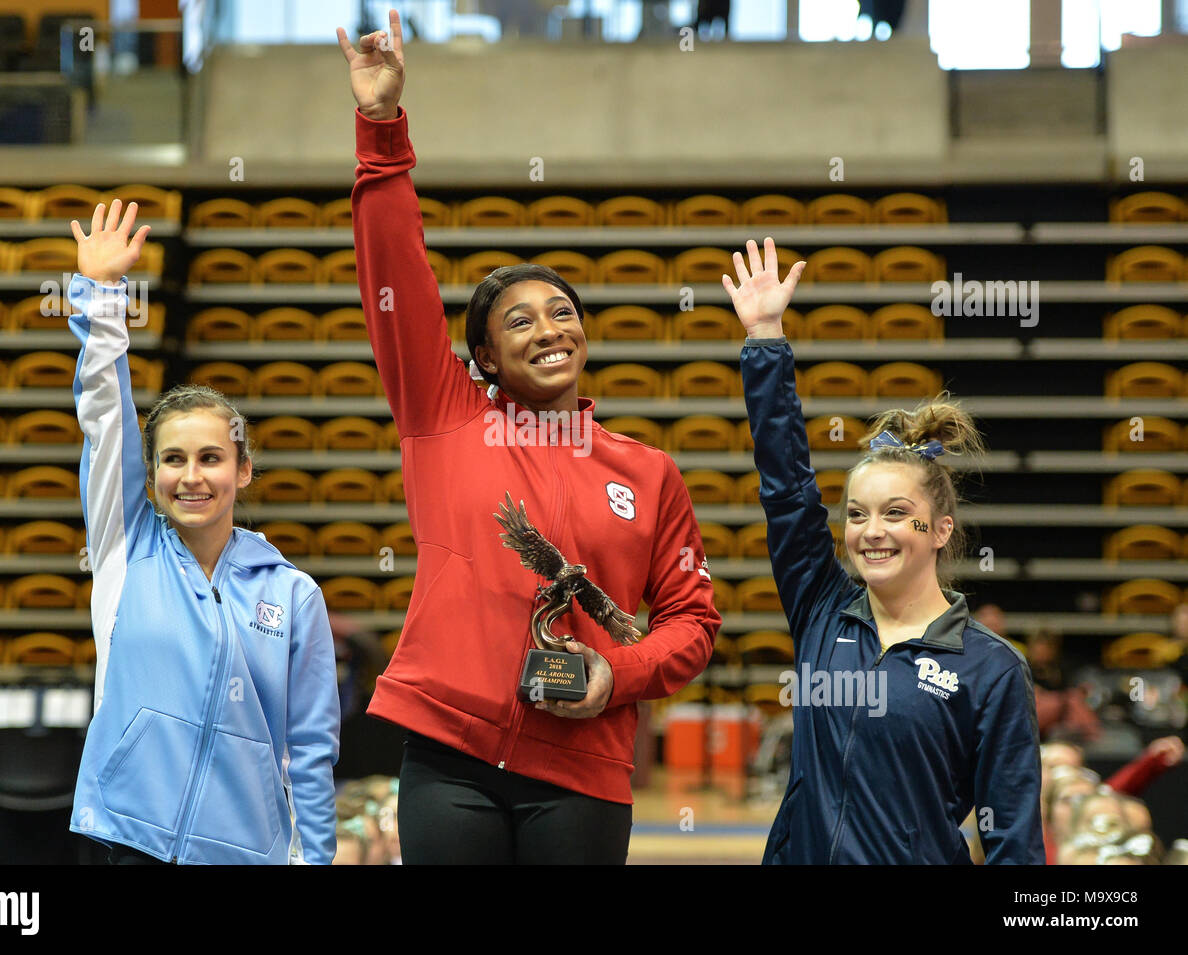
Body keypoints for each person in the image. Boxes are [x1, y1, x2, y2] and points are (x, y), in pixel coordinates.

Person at [337, 11, 721, 864]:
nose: (549, 328)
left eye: (563, 311)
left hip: (583, 767)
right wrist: (381, 130)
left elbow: (692, 622)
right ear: (484, 354)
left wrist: (613, 676)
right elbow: (395, 269)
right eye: (520, 319)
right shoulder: (445, 418)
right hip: (451, 758)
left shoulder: (647, 471)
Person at [732, 236, 1044, 863]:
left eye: (897, 514)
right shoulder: (823, 610)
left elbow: (1012, 835)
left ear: (941, 529)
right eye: (857, 515)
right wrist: (765, 338)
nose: (872, 530)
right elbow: (787, 490)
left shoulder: (992, 670)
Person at [66, 200, 341, 864]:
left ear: (243, 469)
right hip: (125, 836)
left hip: (247, 851)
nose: (192, 476)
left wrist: (317, 857)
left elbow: (309, 744)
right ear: (152, 470)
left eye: (211, 458)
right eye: (173, 458)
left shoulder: (294, 593)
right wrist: (102, 299)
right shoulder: (123, 550)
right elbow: (104, 415)